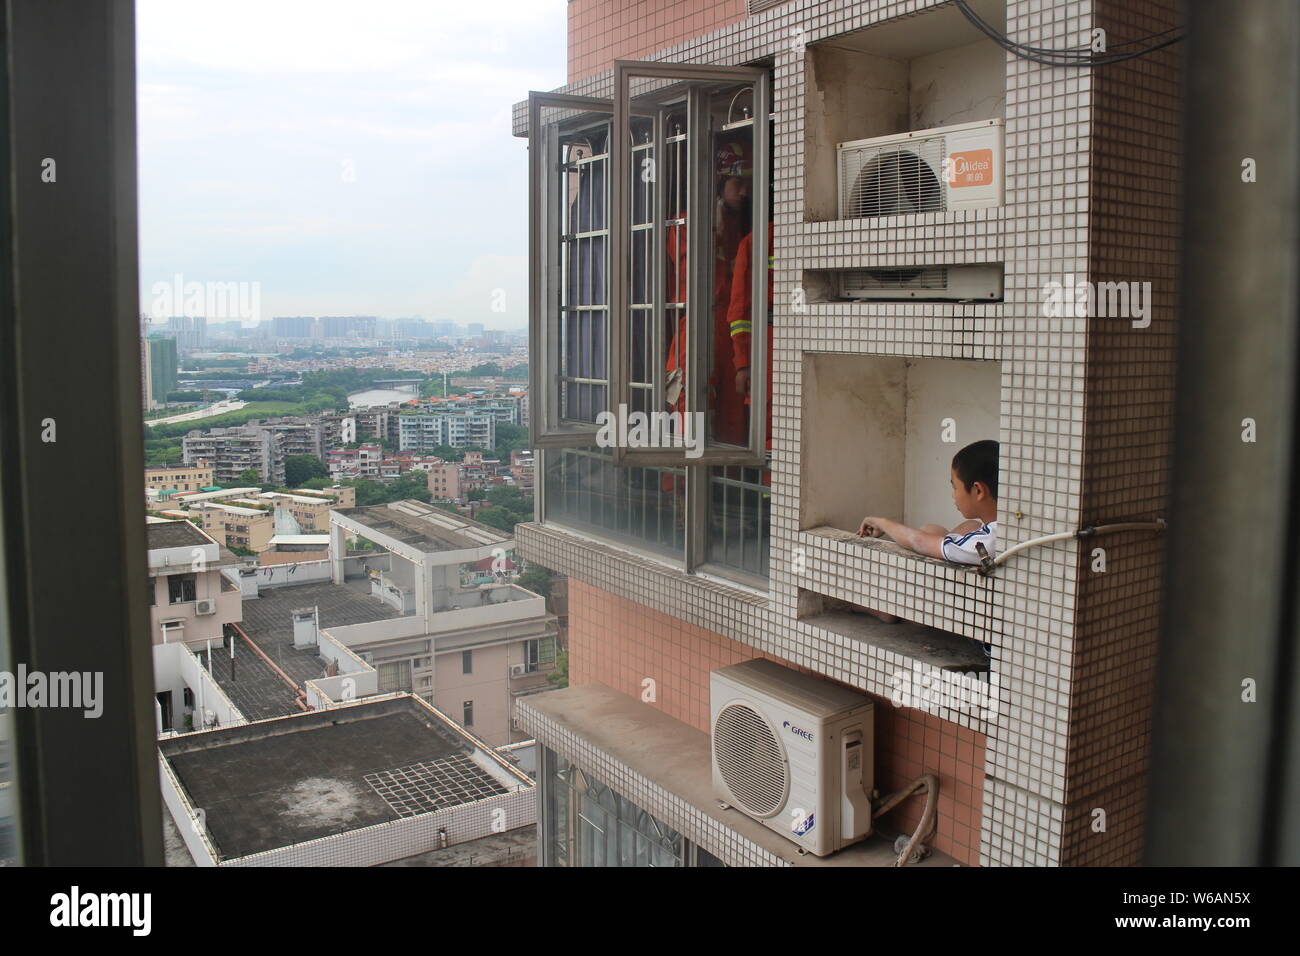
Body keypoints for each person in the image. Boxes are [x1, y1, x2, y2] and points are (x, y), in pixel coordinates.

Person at [857, 439, 999, 565]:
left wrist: (882, 523)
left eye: (954, 487)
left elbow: (918, 541)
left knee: (928, 532)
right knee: (967, 526)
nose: (953, 495)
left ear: (978, 491)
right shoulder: (1001, 527)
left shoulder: (986, 543)